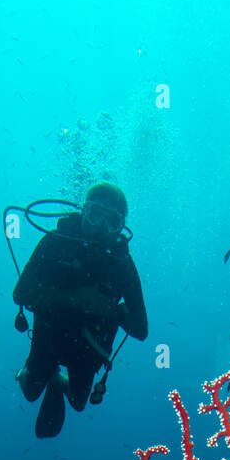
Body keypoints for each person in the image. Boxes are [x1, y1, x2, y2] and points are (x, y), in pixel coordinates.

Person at [13, 183, 148, 437]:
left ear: (121, 227)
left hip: (89, 346)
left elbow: (141, 329)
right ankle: (33, 374)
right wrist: (76, 298)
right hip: (50, 334)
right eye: (96, 215)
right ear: (83, 211)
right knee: (30, 392)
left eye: (112, 222)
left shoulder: (122, 265)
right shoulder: (55, 243)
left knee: (78, 403)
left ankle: (55, 380)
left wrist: (114, 312)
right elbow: (21, 293)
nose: (100, 228)